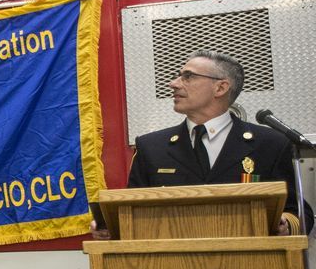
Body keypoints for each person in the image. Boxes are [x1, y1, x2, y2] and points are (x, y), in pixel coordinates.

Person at [91, 49, 313, 240]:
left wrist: (284, 225)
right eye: (178, 76)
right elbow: (133, 211)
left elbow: (298, 212)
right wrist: (112, 228)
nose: (173, 84)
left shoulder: (270, 143)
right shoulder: (152, 147)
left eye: (188, 76)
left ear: (220, 88)